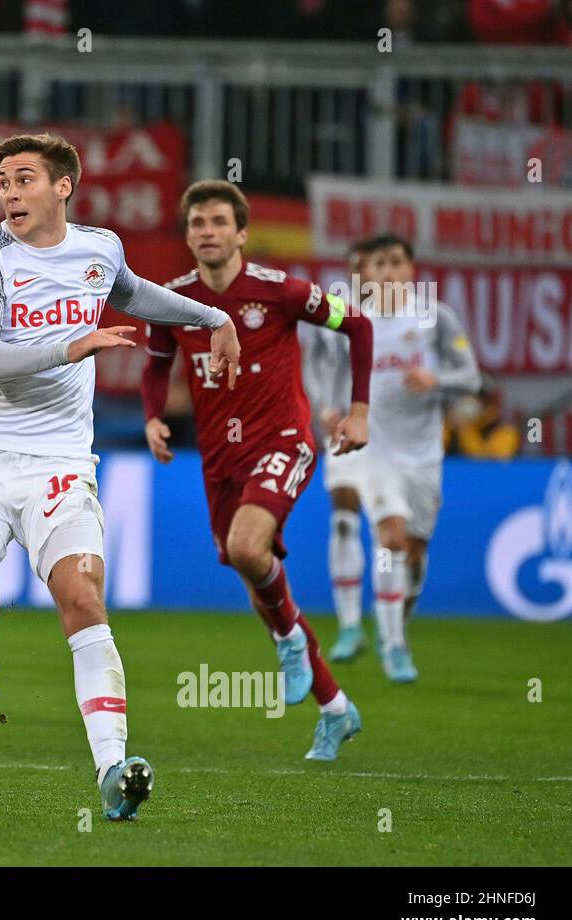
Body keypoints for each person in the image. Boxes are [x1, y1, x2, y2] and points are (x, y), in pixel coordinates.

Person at [0, 133, 240, 819]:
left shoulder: (100, 249)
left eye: (24, 180)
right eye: (3, 181)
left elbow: (134, 294)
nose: (9, 193)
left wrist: (211, 315)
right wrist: (73, 346)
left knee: (84, 597)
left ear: (62, 186)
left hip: (61, 461)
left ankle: (111, 770)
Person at [141, 179, 374, 761]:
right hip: (220, 460)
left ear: (241, 233)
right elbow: (155, 365)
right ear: (188, 235)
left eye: (220, 222)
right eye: (198, 223)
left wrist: (359, 412)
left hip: (284, 441)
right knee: (255, 575)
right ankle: (334, 707)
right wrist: (152, 418)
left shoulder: (281, 291)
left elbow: (360, 327)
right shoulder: (173, 300)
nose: (208, 232)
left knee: (249, 550)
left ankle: (291, 641)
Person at [339, 233, 482, 681]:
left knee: (414, 551)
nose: (386, 271)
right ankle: (392, 647)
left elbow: (471, 376)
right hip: (374, 449)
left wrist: (435, 378)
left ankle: (398, 616)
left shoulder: (435, 318)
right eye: (377, 264)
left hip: (422, 453)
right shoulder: (355, 321)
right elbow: (327, 370)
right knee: (392, 538)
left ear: (410, 270)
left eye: (395, 262)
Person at [301, 238, 377, 661]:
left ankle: (393, 625)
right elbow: (314, 363)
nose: (368, 274)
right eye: (360, 266)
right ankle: (350, 625)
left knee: (400, 539)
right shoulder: (334, 309)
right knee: (345, 518)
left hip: (397, 439)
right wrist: (324, 410)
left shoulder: (418, 317)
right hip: (348, 428)